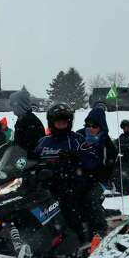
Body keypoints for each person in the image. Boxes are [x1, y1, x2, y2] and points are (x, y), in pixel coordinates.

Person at [34, 103, 100, 244]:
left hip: (72, 181)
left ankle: (79, 236)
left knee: (67, 201)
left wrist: (75, 158)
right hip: (47, 183)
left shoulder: (77, 139)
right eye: (59, 122)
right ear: (52, 123)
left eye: (64, 122)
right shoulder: (43, 142)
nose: (62, 125)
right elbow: (31, 158)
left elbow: (92, 160)